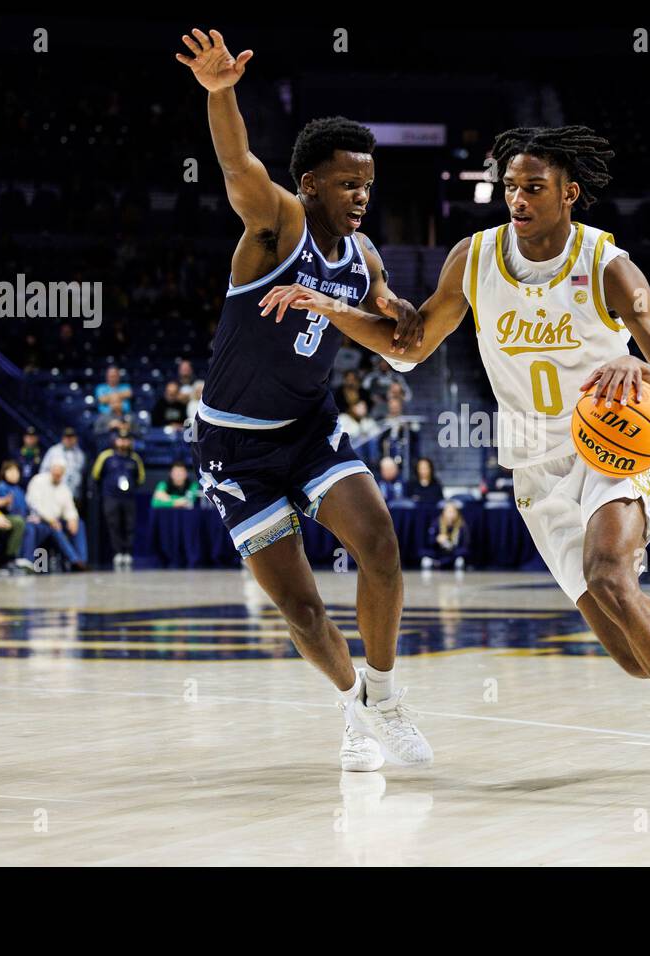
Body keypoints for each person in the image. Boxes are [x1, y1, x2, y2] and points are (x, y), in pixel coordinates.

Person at [262, 124, 650, 818]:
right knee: (635, 655)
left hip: (613, 449)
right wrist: (332, 309)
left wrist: (636, 366)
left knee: (613, 574)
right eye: (508, 186)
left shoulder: (608, 266)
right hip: (535, 471)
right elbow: (410, 347)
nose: (517, 198)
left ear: (569, 193)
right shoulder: (475, 258)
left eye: (533, 187)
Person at [175, 27, 432, 773]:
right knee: (301, 607)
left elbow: (389, 334)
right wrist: (221, 94)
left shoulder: (364, 255)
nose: (362, 197)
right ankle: (353, 708)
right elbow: (236, 161)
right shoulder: (276, 223)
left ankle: (383, 698)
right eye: (349, 184)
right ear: (313, 183)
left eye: (370, 186)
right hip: (234, 445)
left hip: (310, 429)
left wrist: (399, 310)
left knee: (380, 545)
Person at [91, 430, 145, 569]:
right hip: (111, 497)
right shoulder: (106, 456)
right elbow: (96, 475)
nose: (123, 442)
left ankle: (127, 553)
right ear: (115, 441)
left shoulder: (134, 458)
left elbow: (140, 478)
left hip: (128, 498)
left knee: (129, 525)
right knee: (113, 525)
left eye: (126, 439)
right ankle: (117, 553)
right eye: (120, 439)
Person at [25, 460, 88, 571]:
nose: (57, 476)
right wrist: (50, 519)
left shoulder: (63, 487)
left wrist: (72, 519)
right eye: (55, 473)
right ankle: (74, 560)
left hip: (57, 520)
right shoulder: (38, 480)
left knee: (79, 523)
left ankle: (82, 560)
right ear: (51, 470)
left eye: (60, 474)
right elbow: (33, 503)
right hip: (41, 521)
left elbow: (69, 507)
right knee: (55, 528)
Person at [41, 428, 87, 503]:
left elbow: (81, 475)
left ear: (76, 438)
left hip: (73, 494)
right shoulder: (54, 451)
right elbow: (43, 471)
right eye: (67, 437)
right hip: (54, 493)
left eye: (71, 437)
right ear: (62, 438)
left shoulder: (80, 454)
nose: (69, 439)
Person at [420, 501, 468, 570]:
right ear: (444, 512)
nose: (451, 515)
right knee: (423, 554)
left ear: (457, 513)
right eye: (449, 512)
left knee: (461, 557)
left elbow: (465, 545)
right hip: (439, 552)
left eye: (453, 512)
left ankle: (441, 563)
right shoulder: (436, 523)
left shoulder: (462, 526)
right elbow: (429, 541)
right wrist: (437, 539)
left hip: (453, 552)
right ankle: (441, 562)